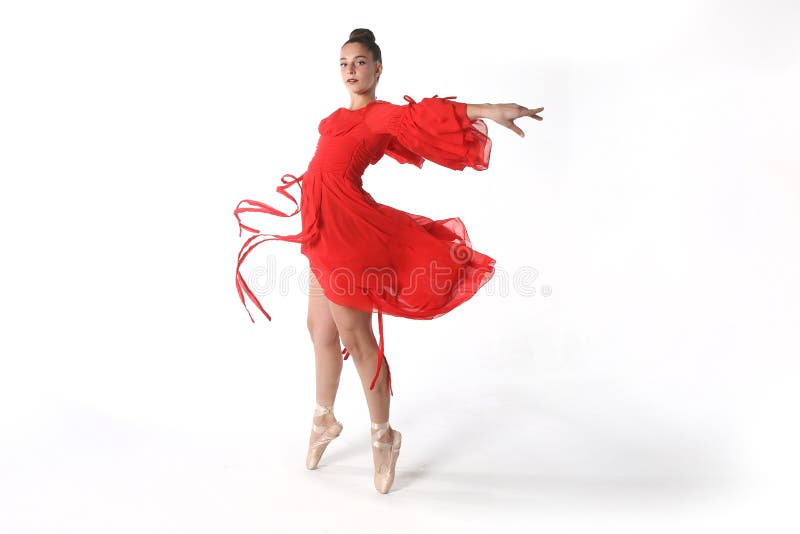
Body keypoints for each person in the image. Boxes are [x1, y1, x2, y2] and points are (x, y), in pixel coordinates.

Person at [233, 28, 544, 494]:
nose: (350, 71)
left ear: (378, 68)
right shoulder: (333, 119)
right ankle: (325, 419)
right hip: (323, 232)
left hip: (348, 238)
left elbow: (427, 115)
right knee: (320, 330)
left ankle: (384, 437)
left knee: (357, 338)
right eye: (343, 63)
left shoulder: (381, 116)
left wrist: (487, 110)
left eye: (359, 62)